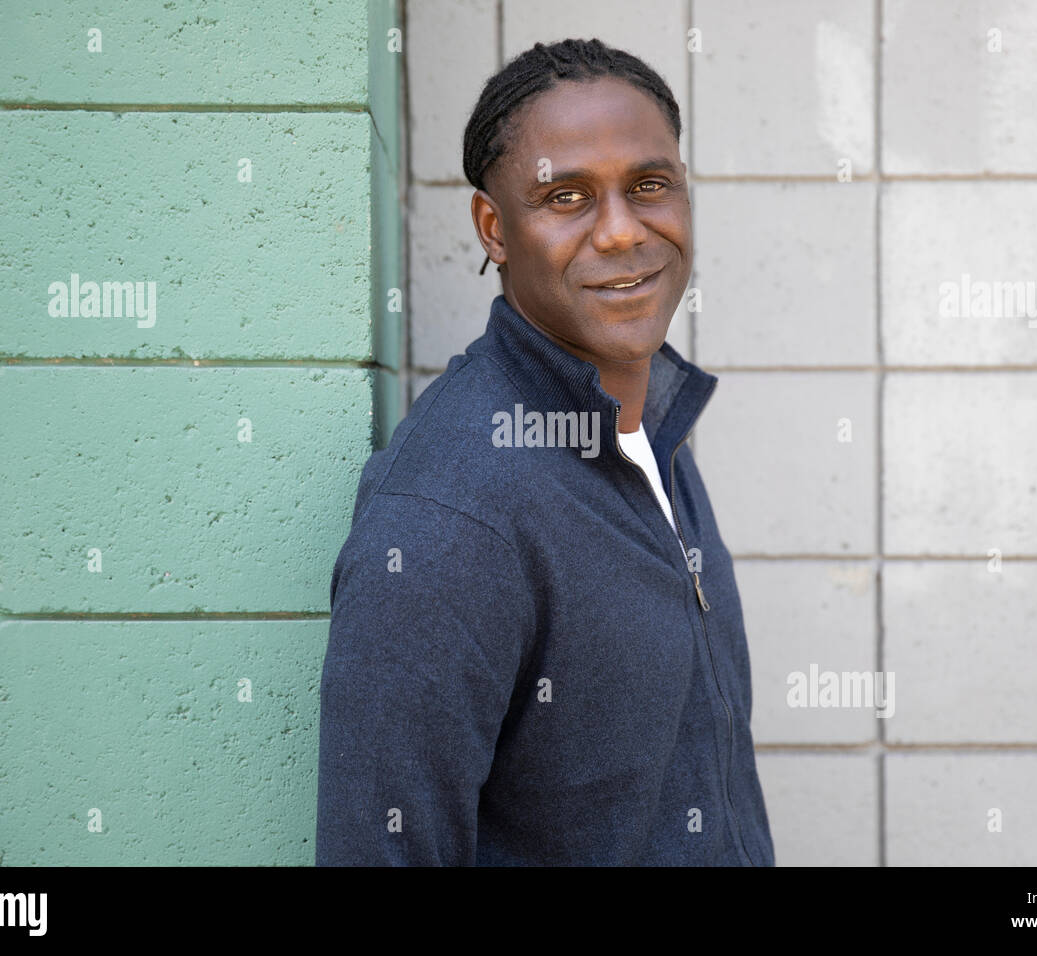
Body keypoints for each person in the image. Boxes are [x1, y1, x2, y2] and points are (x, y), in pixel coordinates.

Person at [316, 37, 775, 866]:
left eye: (649, 186)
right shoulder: (449, 512)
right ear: (494, 228)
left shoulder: (652, 429)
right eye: (567, 197)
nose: (622, 232)